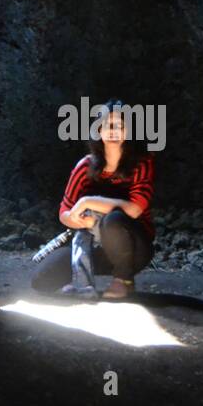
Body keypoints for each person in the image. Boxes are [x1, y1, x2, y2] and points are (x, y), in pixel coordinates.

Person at [31, 99, 155, 299]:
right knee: (42, 279)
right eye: (108, 126)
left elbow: (134, 209)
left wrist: (86, 202)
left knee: (113, 220)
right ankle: (81, 279)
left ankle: (123, 279)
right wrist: (76, 219)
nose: (114, 131)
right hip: (93, 243)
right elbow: (65, 211)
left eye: (120, 126)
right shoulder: (85, 166)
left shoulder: (142, 163)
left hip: (133, 246)